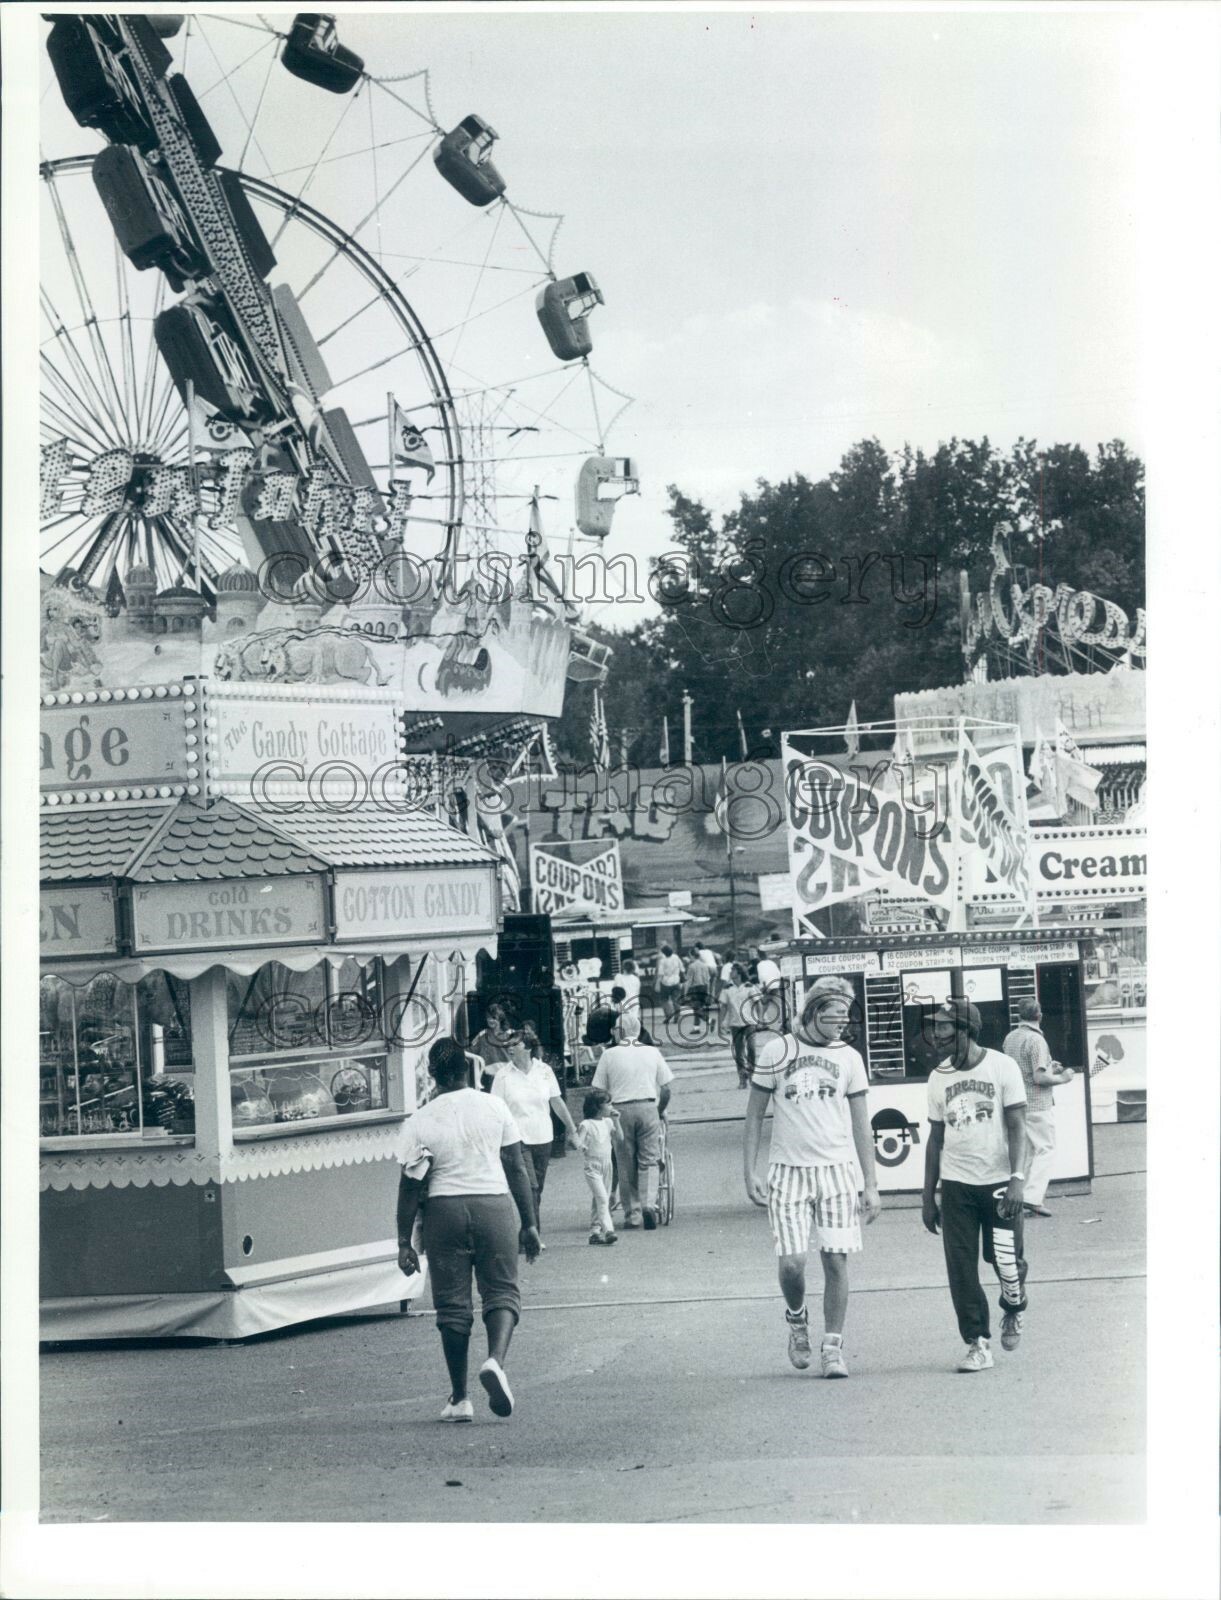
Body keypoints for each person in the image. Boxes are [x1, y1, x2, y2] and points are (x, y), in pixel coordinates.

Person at [743, 976, 881, 1378]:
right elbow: (754, 1114)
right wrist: (749, 1170)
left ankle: (833, 1347)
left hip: (837, 1171)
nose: (842, 1024)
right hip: (787, 1171)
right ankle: (797, 1321)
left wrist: (869, 1184)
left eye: (845, 1016)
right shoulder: (777, 1050)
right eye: (835, 1016)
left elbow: (861, 1125)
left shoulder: (849, 1058)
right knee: (792, 1265)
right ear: (813, 1012)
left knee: (835, 1260)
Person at [396, 1037, 540, 1422]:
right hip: (494, 1205)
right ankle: (495, 1360)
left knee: (453, 1306)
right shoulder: (495, 1106)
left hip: (445, 1212)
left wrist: (403, 1241)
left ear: (432, 1075)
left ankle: (460, 1398)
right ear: (468, 1068)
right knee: (502, 1291)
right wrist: (529, 1223)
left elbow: (410, 1185)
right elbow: (517, 1167)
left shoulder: (419, 1121)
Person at [922, 998, 1029, 1372]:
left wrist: (1018, 1181)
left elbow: (1018, 1128)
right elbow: (935, 1139)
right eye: (935, 1027)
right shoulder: (938, 1077)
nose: (937, 1034)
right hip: (956, 1185)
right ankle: (977, 1343)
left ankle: (1013, 1304)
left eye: (945, 1027)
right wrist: (928, 1196)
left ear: (966, 1030)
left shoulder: (1003, 1067)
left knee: (1002, 1261)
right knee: (961, 1268)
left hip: (999, 1183)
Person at [490, 1026, 578, 1240]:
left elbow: (556, 1102)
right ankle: (532, 1235)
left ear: (528, 1047)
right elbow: (495, 1110)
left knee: (536, 1190)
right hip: (515, 1140)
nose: (509, 1048)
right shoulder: (502, 1076)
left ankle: (527, 1229)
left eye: (515, 1044)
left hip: (543, 1136)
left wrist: (572, 1130)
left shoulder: (545, 1071)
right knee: (530, 1187)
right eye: (508, 1045)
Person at [592, 1012, 673, 1229]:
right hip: (647, 1107)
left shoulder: (609, 1056)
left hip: (620, 1111)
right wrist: (659, 1109)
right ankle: (649, 1204)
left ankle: (633, 1214)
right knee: (650, 1159)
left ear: (619, 1032)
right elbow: (666, 1088)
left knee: (625, 1163)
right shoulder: (651, 1052)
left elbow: (598, 1090)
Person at [1003, 998, 1076, 1218]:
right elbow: (1038, 1077)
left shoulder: (1010, 1038)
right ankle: (1032, 1198)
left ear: (1018, 1017)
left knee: (1024, 1152)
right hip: (1037, 1103)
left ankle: (1017, 1197)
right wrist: (1063, 1077)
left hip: (1015, 1103)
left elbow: (1023, 1069)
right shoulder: (1037, 1040)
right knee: (1046, 1149)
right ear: (1040, 1016)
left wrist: (1049, 1067)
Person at [575, 1087, 621, 1245]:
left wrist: (616, 1120)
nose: (611, 1107)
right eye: (608, 1104)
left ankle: (594, 1232)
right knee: (602, 1198)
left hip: (607, 1165)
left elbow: (619, 1138)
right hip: (592, 1166)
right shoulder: (586, 1124)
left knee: (601, 1198)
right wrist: (581, 1145)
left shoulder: (608, 1122)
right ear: (597, 1107)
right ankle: (608, 1230)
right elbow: (578, 1142)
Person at [721, 961, 762, 1088]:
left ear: (738, 973)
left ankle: (752, 1073)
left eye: (732, 970)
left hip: (750, 1022)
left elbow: (758, 1004)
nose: (730, 972)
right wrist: (721, 1023)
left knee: (751, 1048)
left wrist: (760, 1020)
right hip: (735, 1023)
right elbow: (723, 1006)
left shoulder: (749, 987)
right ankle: (742, 1077)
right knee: (739, 1052)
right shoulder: (727, 988)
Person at [468, 999, 517, 1093]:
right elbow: (470, 1052)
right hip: (491, 1080)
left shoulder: (511, 1034)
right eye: (488, 1017)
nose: (490, 1020)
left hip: (510, 1079)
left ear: (500, 1018)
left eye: (494, 1017)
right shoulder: (483, 1035)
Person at [684, 948, 715, 1022]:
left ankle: (709, 1020)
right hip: (704, 987)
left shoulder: (691, 966)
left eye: (690, 956)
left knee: (696, 1009)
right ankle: (696, 1028)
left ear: (692, 956)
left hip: (696, 988)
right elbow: (708, 980)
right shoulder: (704, 965)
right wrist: (708, 991)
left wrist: (685, 993)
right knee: (699, 1008)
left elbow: (688, 981)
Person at [654, 944, 684, 1020]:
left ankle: (669, 1014)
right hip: (676, 981)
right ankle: (677, 1013)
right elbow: (682, 968)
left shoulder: (662, 961)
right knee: (676, 999)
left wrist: (657, 984)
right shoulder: (676, 957)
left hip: (665, 983)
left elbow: (660, 974)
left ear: (664, 953)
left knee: (664, 999)